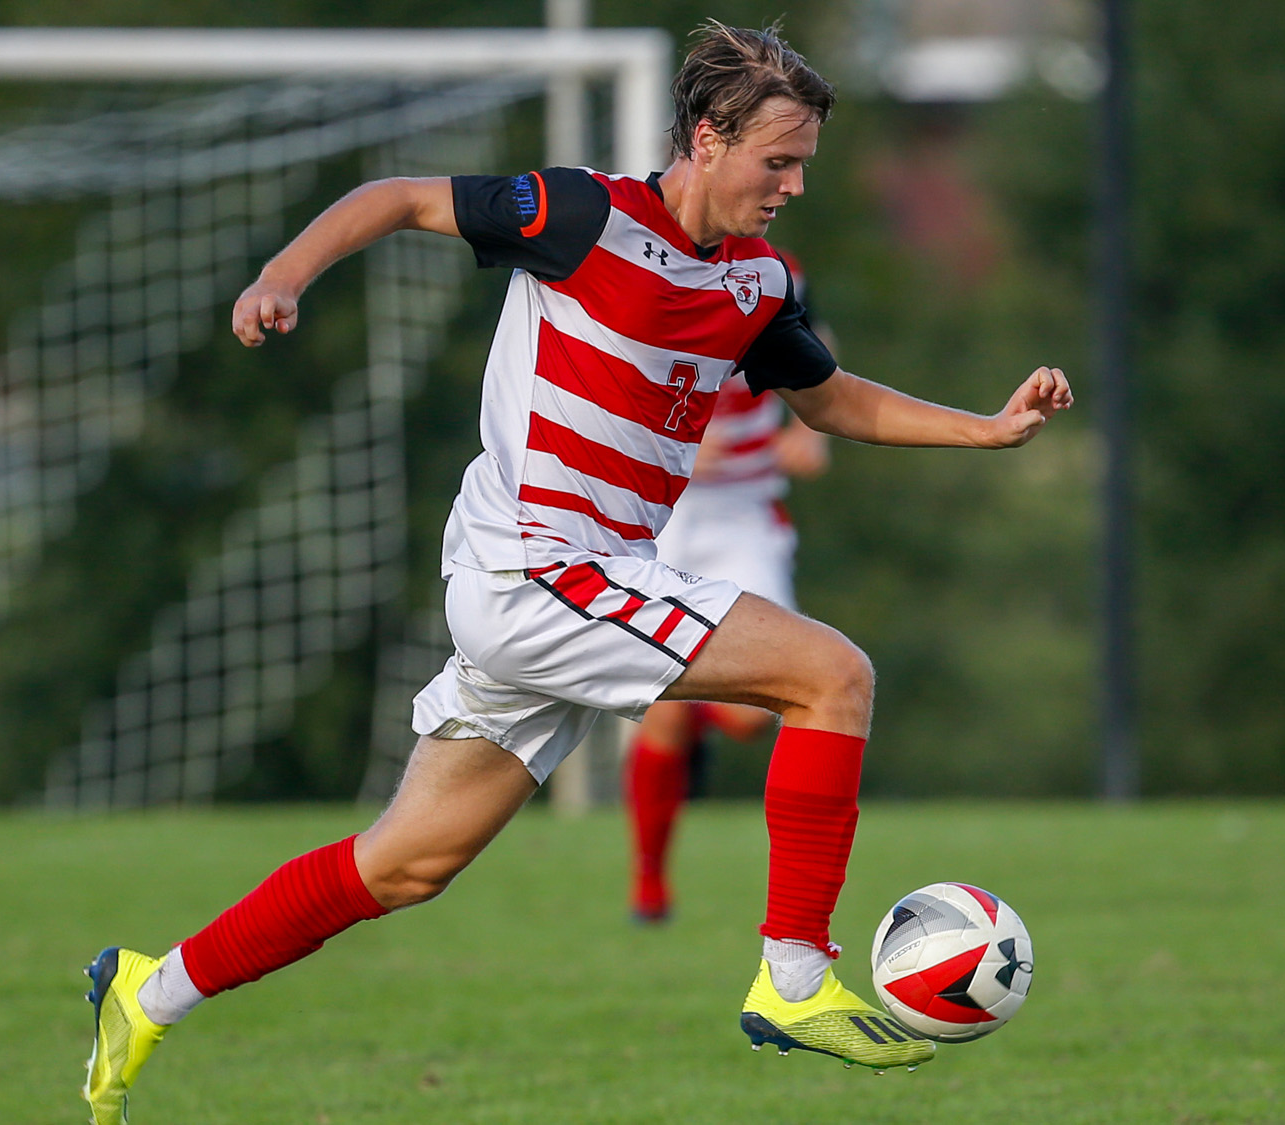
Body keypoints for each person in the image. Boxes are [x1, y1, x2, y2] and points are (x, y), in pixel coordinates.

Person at [80, 21, 1072, 1122]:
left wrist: (983, 430)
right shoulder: (583, 216)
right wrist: (282, 273)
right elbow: (402, 197)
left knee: (405, 865)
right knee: (830, 675)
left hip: (576, 582)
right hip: (534, 569)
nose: (792, 185)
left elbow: (828, 400)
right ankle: (793, 977)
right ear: (707, 137)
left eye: (802, 167)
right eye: (775, 161)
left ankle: (148, 989)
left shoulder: (757, 282)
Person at [624, 251, 829, 925]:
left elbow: (817, 340)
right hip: (662, 516)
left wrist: (808, 428)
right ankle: (649, 889)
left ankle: (692, 709)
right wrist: (663, 441)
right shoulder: (636, 264)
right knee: (662, 704)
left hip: (745, 513)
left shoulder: (778, 274)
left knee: (758, 706)